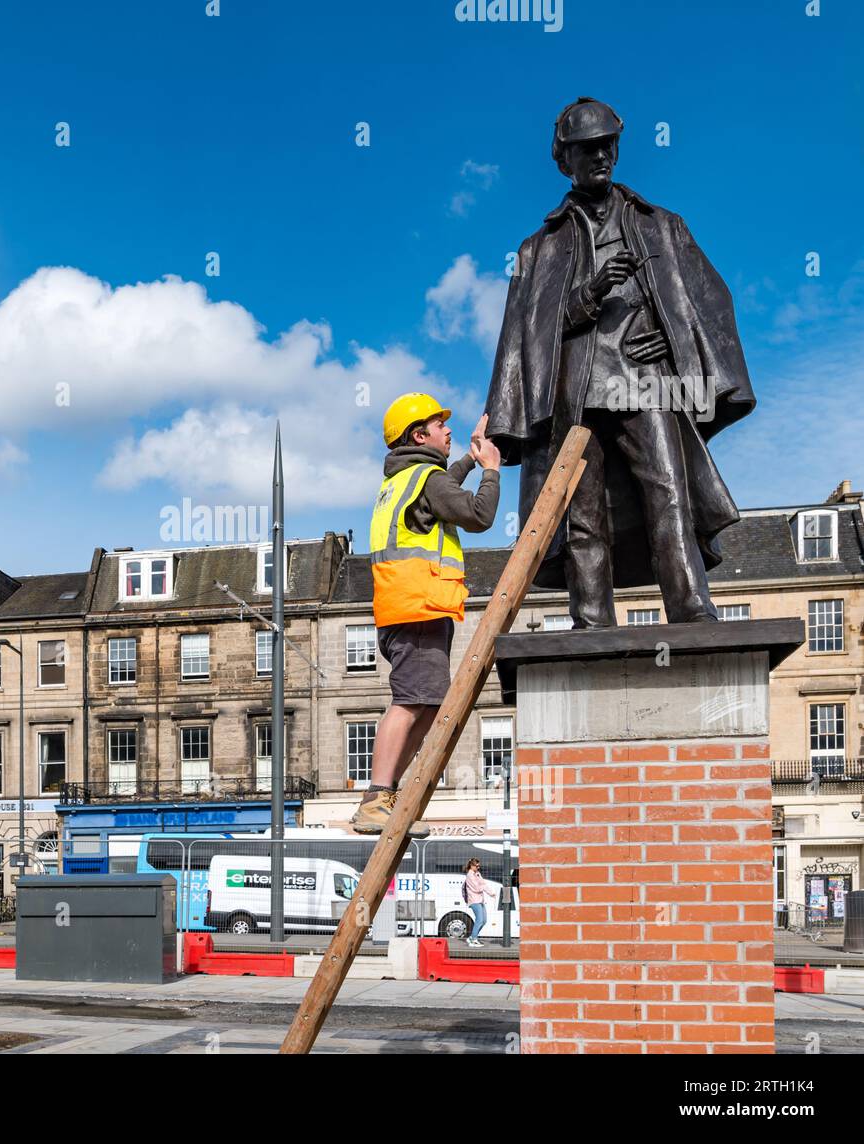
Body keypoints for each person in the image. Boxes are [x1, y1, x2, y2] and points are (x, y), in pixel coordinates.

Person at [485, 97, 755, 628]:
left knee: (669, 492)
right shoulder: (538, 248)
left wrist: (674, 343)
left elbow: (709, 303)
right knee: (581, 515)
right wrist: (588, 294)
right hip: (576, 395)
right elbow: (525, 335)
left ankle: (692, 610)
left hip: (646, 383)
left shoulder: (660, 226)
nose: (601, 155)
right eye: (588, 148)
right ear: (565, 159)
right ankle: (591, 622)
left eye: (608, 144)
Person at [351, 393, 500, 835]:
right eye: (440, 424)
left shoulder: (402, 481)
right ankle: (376, 797)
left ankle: (388, 795)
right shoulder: (427, 481)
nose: (448, 429)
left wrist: (469, 462)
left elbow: (442, 489)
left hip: (407, 608)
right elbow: (478, 515)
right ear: (420, 435)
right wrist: (490, 467)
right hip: (419, 609)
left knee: (429, 705)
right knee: (411, 702)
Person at [463, 857, 496, 947]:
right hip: (474, 901)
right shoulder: (469, 875)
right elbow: (477, 888)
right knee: (479, 920)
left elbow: (483, 884)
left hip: (480, 900)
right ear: (471, 865)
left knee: (484, 921)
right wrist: (484, 888)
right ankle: (473, 939)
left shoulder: (477, 873)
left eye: (479, 866)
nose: (478, 867)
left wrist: (491, 893)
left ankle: (471, 938)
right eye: (477, 866)